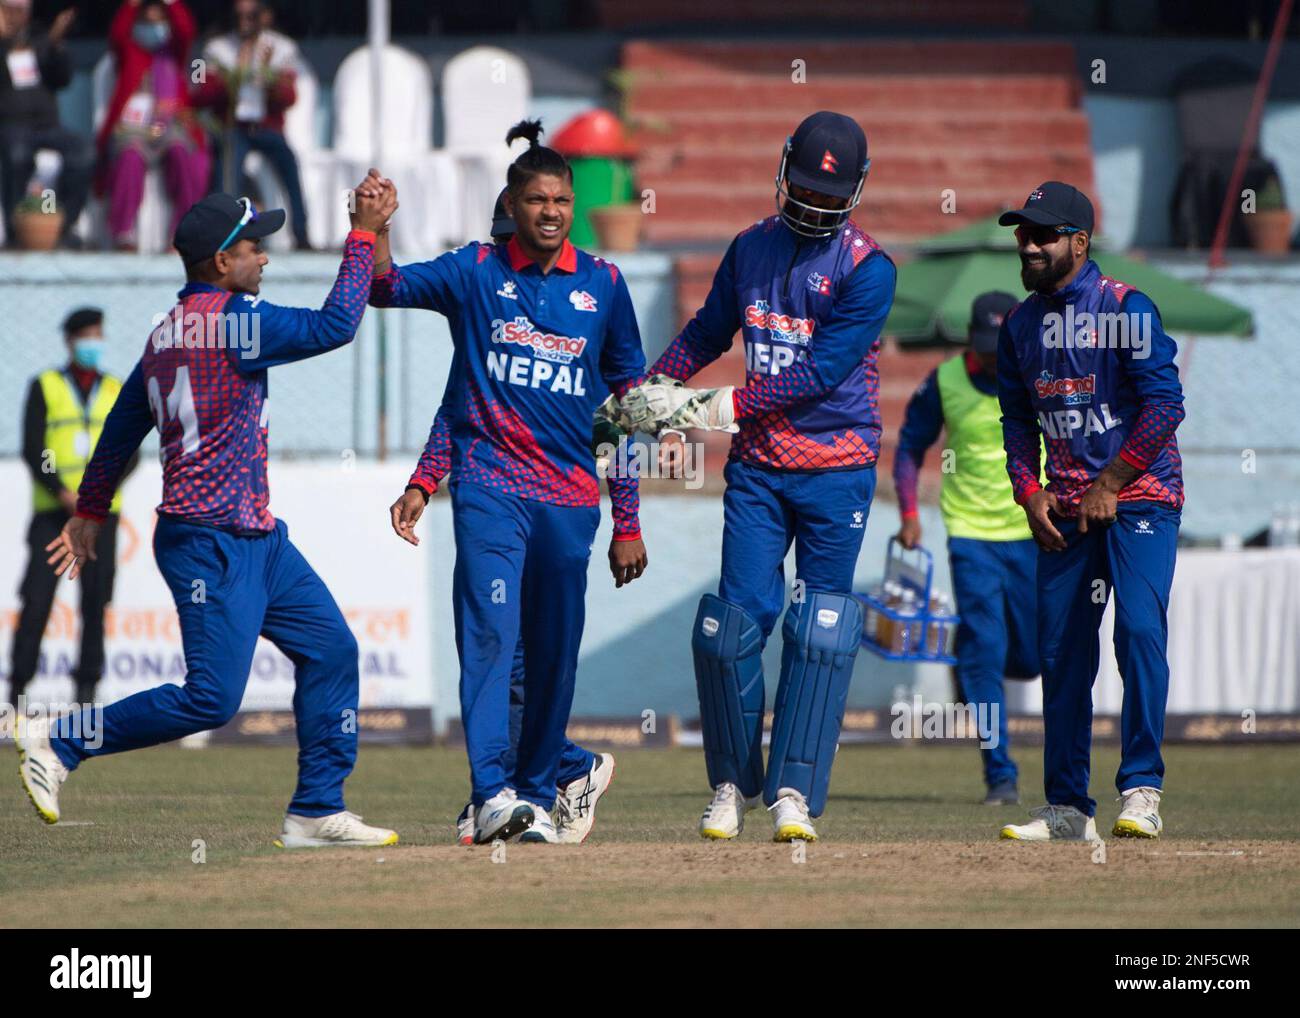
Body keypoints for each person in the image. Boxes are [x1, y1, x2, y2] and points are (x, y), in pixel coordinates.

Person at [22, 180, 400, 851]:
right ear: (221, 262)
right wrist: (361, 236)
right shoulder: (237, 323)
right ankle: (59, 740)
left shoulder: (165, 332)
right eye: (255, 247)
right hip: (209, 542)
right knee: (212, 701)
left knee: (333, 649)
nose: (264, 258)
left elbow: (120, 426)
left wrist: (90, 508)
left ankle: (316, 809)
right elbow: (337, 325)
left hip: (256, 539)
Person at [617, 110, 897, 842]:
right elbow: (709, 331)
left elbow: (819, 373)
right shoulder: (749, 249)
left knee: (822, 630)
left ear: (858, 193)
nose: (813, 207)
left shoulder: (870, 271)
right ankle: (731, 788)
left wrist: (704, 407)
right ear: (781, 172)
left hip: (838, 468)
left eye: (830, 198)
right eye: (803, 189)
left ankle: (794, 795)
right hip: (760, 472)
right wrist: (653, 391)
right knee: (729, 628)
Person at [367, 122, 649, 845]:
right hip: (492, 489)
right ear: (513, 204)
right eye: (535, 199)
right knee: (492, 638)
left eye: (560, 198)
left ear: (572, 204)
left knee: (551, 658)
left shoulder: (606, 285)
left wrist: (627, 521)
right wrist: (375, 229)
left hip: (570, 502)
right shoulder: (475, 273)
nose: (549, 210)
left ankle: (540, 786)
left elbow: (629, 410)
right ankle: (493, 791)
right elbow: (385, 288)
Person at [995, 181, 1184, 842]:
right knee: (1062, 653)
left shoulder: (1126, 309)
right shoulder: (1018, 326)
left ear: (1080, 241)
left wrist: (1111, 481)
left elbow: (1165, 406)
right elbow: (1016, 421)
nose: (1030, 245)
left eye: (1044, 235)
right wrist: (1028, 490)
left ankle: (1142, 790)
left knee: (1137, 630)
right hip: (1068, 513)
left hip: (1140, 499)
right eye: (1023, 233)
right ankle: (1068, 809)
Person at [892, 291, 1038, 806]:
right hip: (971, 535)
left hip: (1034, 532)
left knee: (1034, 655)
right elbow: (910, 446)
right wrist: (910, 513)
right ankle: (1000, 773)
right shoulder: (946, 381)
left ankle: (970, 657)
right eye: (985, 348)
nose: (994, 359)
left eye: (1001, 348)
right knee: (986, 651)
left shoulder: (1038, 374)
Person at [11, 309, 137, 708]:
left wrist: (96, 493)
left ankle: (86, 698)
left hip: (99, 517)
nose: (92, 345)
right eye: (86, 336)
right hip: (54, 514)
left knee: (95, 603)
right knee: (37, 600)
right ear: (69, 340)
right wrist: (63, 491)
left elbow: (130, 450)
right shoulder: (45, 386)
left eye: (98, 336)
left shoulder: (118, 388)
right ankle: (16, 694)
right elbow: (36, 449)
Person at [193, 0, 310, 249]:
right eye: (239, 16)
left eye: (252, 16)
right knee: (228, 172)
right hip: (233, 127)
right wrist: (235, 73)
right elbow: (200, 93)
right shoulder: (215, 49)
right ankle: (228, 236)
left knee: (290, 165)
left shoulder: (283, 48)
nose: (245, 22)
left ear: (265, 16)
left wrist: (267, 75)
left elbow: (290, 96)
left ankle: (302, 233)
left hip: (267, 127)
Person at [98, 0, 209, 250]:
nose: (153, 27)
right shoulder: (128, 51)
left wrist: (170, 2)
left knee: (182, 153)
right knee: (129, 158)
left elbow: (186, 30)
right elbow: (118, 32)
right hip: (133, 129)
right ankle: (124, 234)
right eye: (147, 22)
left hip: (170, 125)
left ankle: (181, 233)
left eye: (159, 21)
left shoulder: (173, 52)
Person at [0, 0, 93, 247]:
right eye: (7, 10)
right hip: (9, 125)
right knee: (17, 154)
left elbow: (62, 78)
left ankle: (64, 226)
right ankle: (15, 231)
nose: (12, 17)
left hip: (47, 126)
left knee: (82, 153)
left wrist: (55, 45)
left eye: (18, 11)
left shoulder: (41, 40)